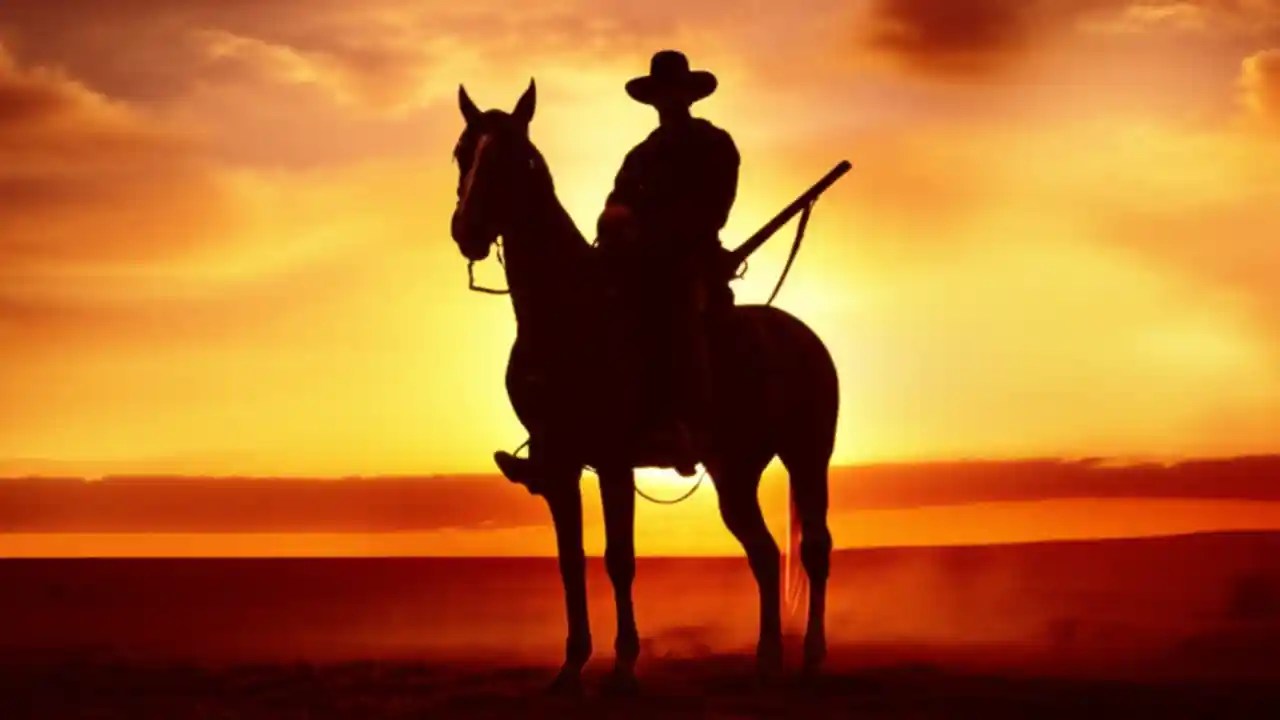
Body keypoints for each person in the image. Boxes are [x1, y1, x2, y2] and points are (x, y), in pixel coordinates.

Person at [496, 50, 739, 486]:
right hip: (633, 261)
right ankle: (551, 437)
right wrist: (612, 233)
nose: (668, 100)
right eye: (661, 93)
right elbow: (616, 203)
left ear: (688, 94)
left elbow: (712, 209)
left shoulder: (713, 143)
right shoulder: (640, 155)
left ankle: (687, 422)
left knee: (676, 313)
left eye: (674, 92)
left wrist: (657, 239)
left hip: (688, 261)